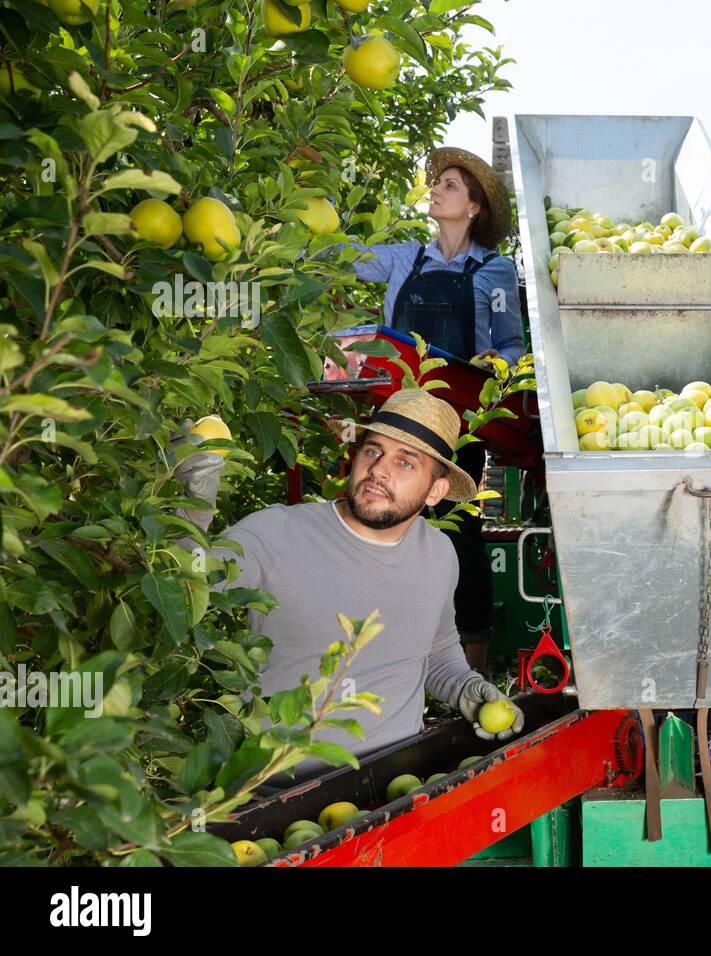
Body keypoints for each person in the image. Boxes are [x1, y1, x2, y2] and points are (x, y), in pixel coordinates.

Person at [173, 389, 524, 787]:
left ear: (435, 492)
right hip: (274, 801)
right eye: (373, 451)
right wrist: (191, 505)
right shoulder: (277, 532)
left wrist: (465, 686)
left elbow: (436, 650)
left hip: (396, 792)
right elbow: (190, 587)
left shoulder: (439, 553)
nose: (379, 470)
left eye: (404, 462)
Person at [340, 147, 526, 671]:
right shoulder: (403, 257)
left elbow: (510, 342)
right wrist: (320, 184)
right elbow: (337, 252)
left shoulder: (494, 270)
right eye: (435, 182)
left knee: (455, 528)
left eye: (448, 184)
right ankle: (376, 660)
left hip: (455, 418)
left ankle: (468, 667)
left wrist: (496, 362)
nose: (435, 190)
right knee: (374, 517)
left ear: (473, 207)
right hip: (395, 409)